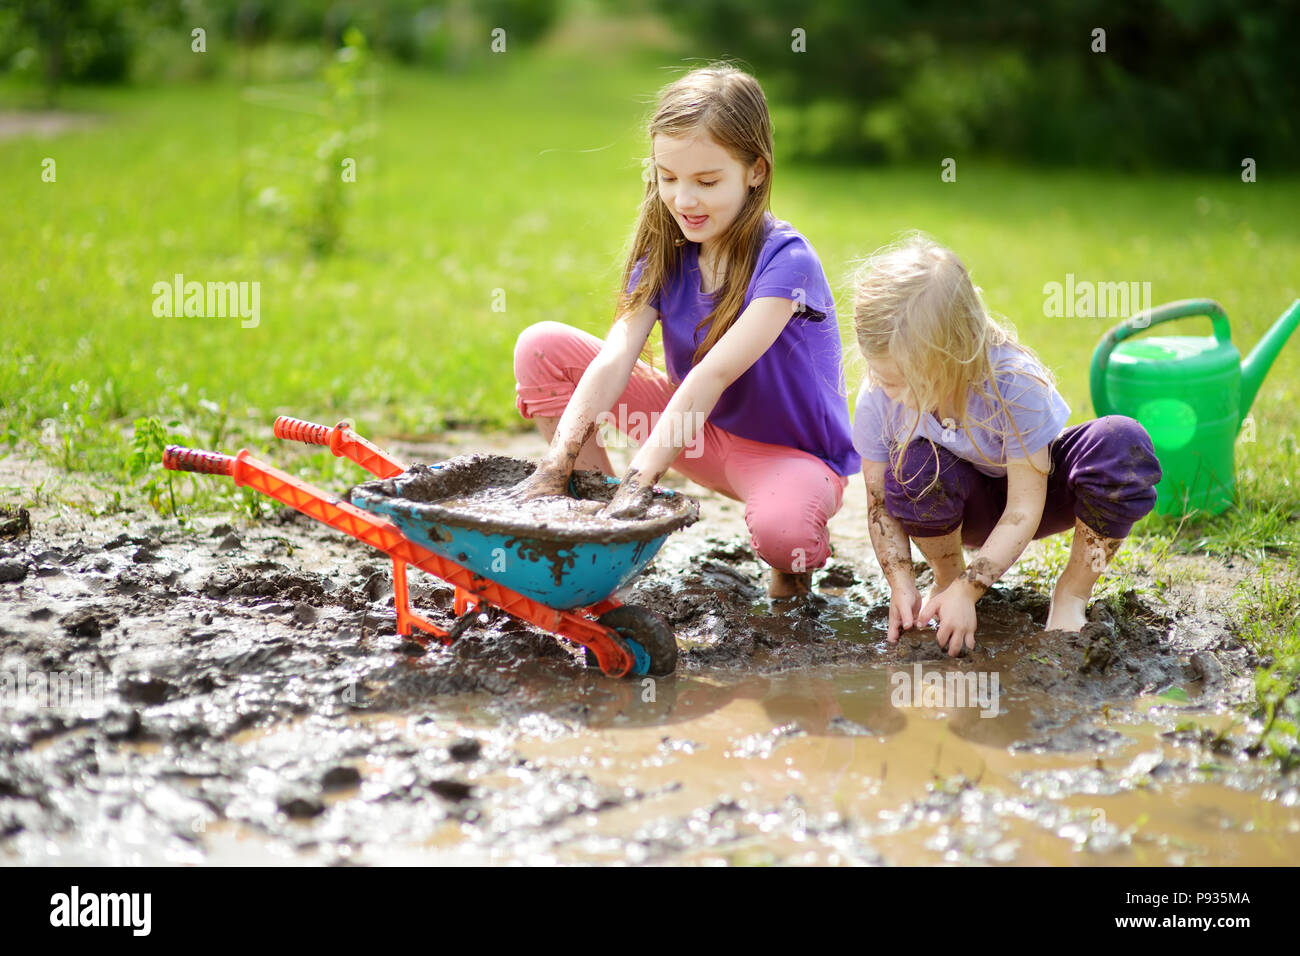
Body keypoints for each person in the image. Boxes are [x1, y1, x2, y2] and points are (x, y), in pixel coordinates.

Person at [509, 64, 860, 598]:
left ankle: (790, 580)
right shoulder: (666, 251)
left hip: (785, 458)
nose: (683, 200)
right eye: (668, 178)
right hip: (693, 433)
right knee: (542, 347)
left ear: (757, 171)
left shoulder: (788, 260)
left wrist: (641, 482)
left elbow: (713, 374)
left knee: (782, 533)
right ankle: (596, 535)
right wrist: (558, 461)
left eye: (706, 181)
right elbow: (615, 356)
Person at [850, 235, 1162, 654]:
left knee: (1122, 444)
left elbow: (1023, 508)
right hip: (962, 507)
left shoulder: (1012, 381)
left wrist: (974, 587)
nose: (892, 392)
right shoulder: (879, 396)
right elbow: (877, 502)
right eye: (883, 378)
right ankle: (947, 578)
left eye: (904, 380)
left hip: (1034, 496)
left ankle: (1070, 592)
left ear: (951, 356)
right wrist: (901, 581)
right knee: (911, 465)